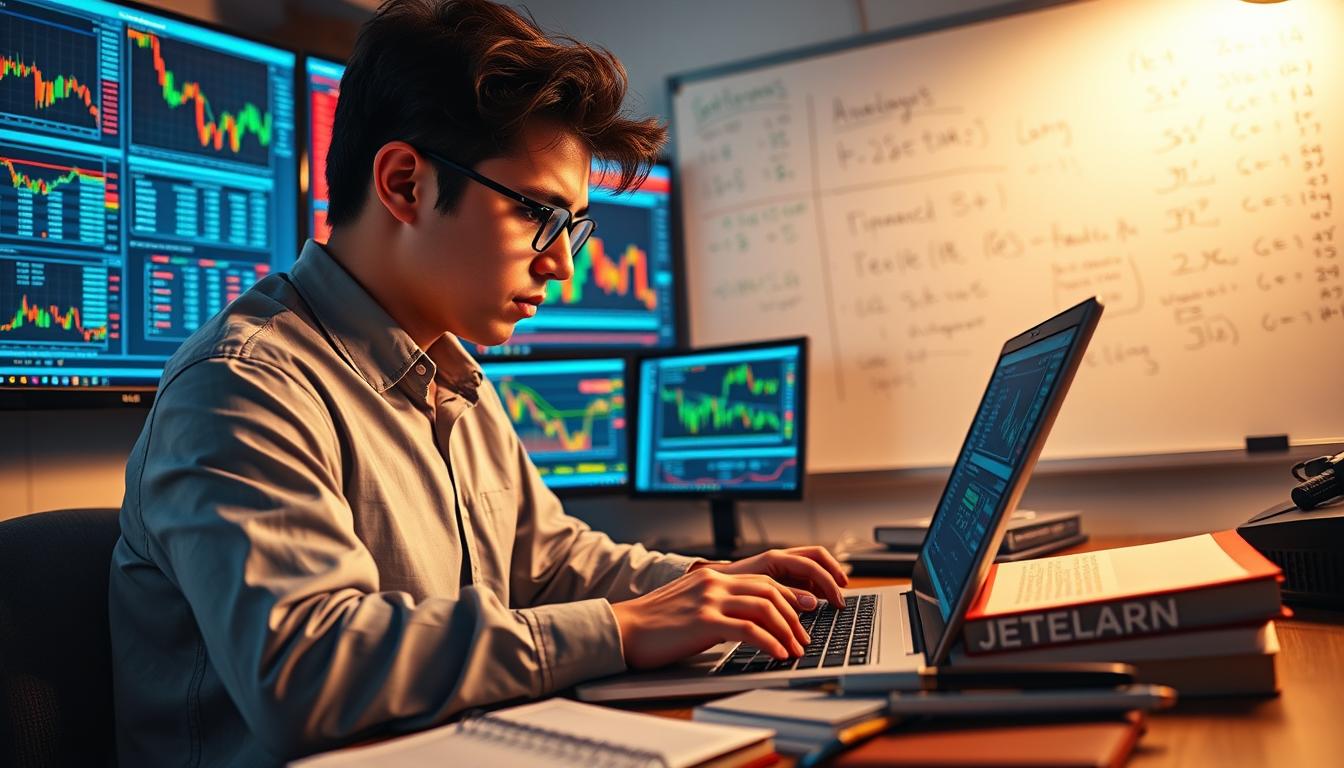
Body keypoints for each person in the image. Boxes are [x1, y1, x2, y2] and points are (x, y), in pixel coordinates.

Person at [108, 1, 847, 765]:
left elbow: (553, 563)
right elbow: (309, 671)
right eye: (540, 215)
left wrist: (710, 585)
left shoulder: (457, 379)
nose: (563, 263)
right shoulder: (244, 386)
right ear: (405, 185)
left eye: (575, 228)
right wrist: (624, 628)